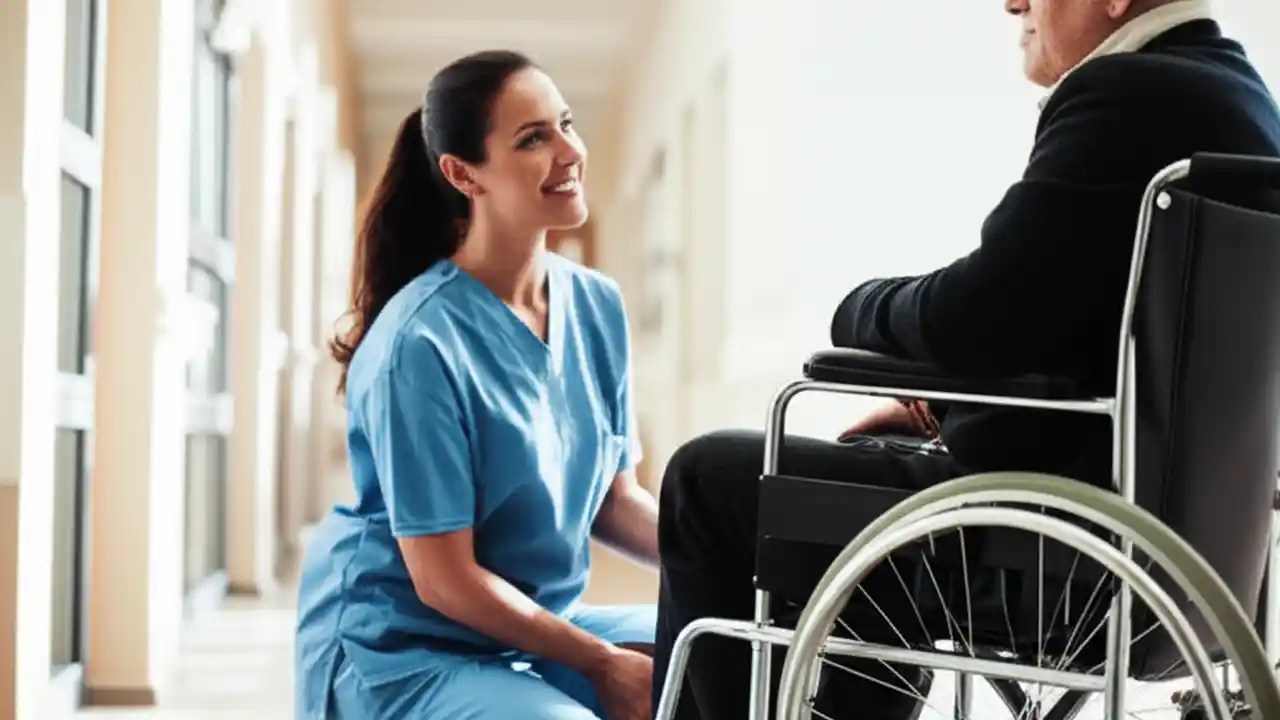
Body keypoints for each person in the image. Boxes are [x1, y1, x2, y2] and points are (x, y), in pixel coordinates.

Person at [652, 1, 1280, 718]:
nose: (1013, 2)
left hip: (1052, 549)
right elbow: (1081, 330)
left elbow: (974, 317)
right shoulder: (1247, 105)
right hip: (1201, 563)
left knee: (706, 480)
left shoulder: (1125, 93)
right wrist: (938, 405)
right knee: (863, 493)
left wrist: (860, 307)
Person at [293, 50, 661, 720]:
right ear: (463, 174)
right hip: (406, 649)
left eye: (565, 124)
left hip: (528, 623)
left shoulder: (597, 305)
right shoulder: (419, 344)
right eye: (532, 139)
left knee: (718, 654)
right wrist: (600, 664)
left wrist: (737, 575)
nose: (568, 152)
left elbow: (613, 502)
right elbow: (444, 581)